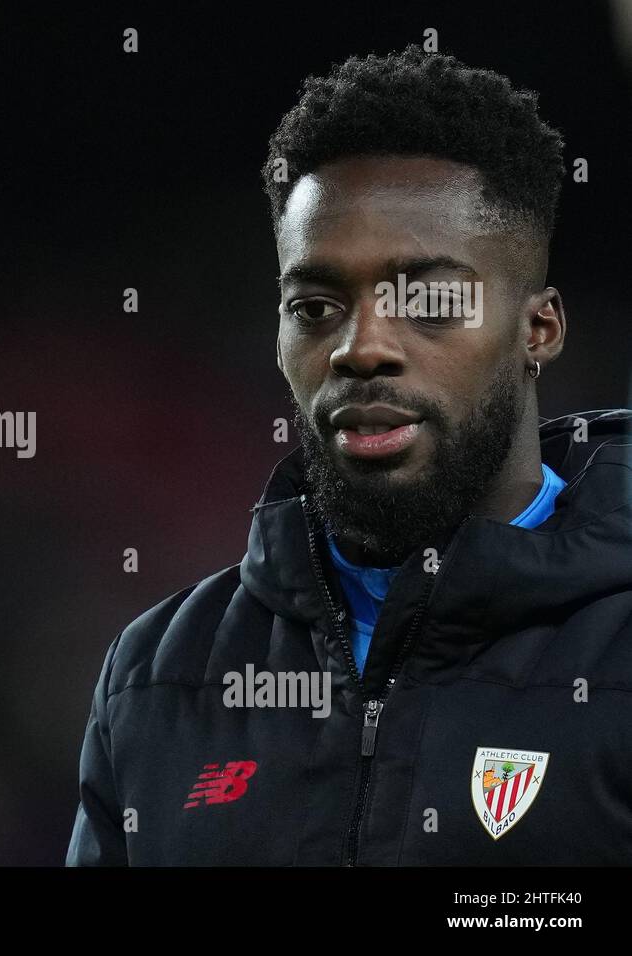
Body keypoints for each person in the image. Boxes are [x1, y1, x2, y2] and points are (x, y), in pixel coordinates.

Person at [66, 46, 632, 865]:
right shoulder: (160, 674)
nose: (361, 348)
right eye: (317, 305)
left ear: (537, 329)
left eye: (428, 300)